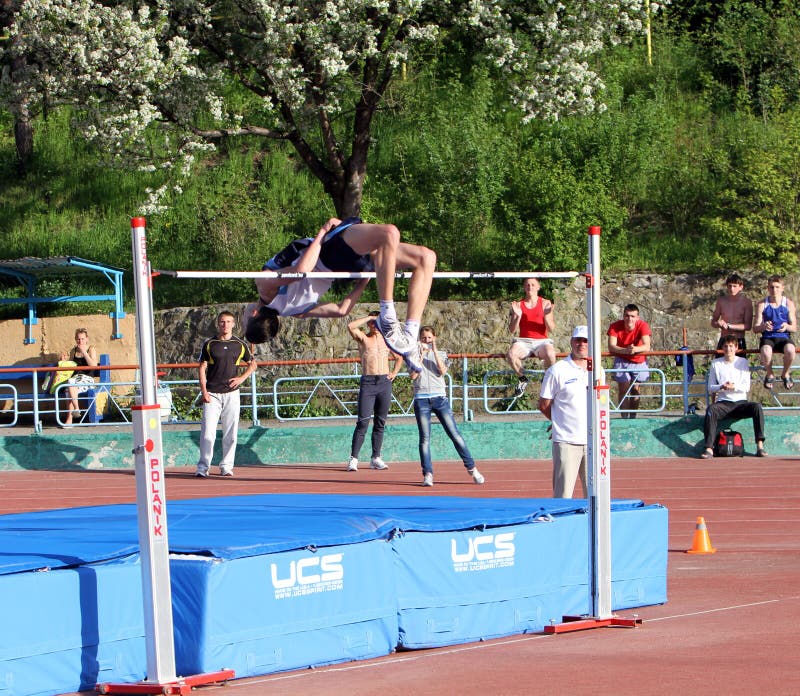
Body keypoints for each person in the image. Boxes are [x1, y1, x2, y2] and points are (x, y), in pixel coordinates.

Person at [243, 217, 436, 373]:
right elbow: (302, 270)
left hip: (345, 264)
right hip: (330, 251)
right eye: (242, 321)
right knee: (389, 232)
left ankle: (410, 337)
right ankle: (387, 314)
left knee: (426, 258)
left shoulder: (296, 311)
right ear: (253, 315)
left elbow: (342, 310)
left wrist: (365, 279)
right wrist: (323, 231)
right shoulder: (264, 285)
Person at [411, 325, 484, 487]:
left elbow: (442, 371)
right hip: (421, 399)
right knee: (424, 439)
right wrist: (421, 355)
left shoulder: (442, 354)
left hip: (439, 398)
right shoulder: (413, 355)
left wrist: (434, 351)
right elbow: (413, 375)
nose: (427, 341)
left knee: (455, 434)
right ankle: (428, 474)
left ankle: (472, 469)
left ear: (434, 338)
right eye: (423, 338)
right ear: (419, 339)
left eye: (429, 338)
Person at [195, 311, 258, 477]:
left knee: (231, 433)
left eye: (229, 322)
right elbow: (202, 368)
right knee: (208, 433)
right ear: (218, 323)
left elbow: (253, 365)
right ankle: (203, 468)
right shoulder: (209, 343)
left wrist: (241, 379)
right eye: (223, 322)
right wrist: (204, 392)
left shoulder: (240, 344)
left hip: (232, 394)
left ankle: (226, 466)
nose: (226, 325)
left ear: (234, 324)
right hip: (212, 394)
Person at [538, 325, 594, 498]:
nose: (581, 344)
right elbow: (544, 404)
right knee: (563, 496)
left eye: (585, 341)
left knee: (594, 496)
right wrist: (558, 420)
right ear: (571, 342)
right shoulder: (557, 370)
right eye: (578, 340)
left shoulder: (598, 370)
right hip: (566, 442)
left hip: (593, 442)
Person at [346, 311, 402, 472]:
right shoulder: (364, 338)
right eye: (372, 323)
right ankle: (354, 458)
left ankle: (375, 457)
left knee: (380, 422)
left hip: (384, 382)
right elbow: (351, 326)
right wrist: (370, 318)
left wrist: (394, 373)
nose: (375, 325)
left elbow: (399, 357)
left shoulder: (387, 340)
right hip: (368, 383)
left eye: (377, 323)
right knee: (363, 421)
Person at [700, 334, 767, 459]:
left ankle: (760, 446)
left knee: (757, 407)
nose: (728, 349)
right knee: (711, 410)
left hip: (740, 403)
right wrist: (722, 386)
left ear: (736, 347)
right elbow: (710, 387)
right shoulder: (716, 363)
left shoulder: (743, 362)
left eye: (731, 346)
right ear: (722, 348)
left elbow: (746, 387)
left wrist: (734, 387)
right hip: (724, 403)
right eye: (725, 346)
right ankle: (709, 448)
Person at [506, 277, 556, 398]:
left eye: (533, 285)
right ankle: (522, 378)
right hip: (524, 340)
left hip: (542, 341)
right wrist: (518, 315)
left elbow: (551, 328)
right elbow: (512, 330)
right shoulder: (518, 305)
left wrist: (546, 314)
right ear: (524, 287)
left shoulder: (545, 303)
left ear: (538, 287)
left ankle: (547, 379)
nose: (530, 287)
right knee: (511, 355)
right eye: (528, 285)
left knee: (551, 354)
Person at [607, 304, 651, 419]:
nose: (629, 319)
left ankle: (633, 417)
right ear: (623, 316)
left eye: (632, 316)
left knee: (635, 389)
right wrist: (625, 351)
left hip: (639, 360)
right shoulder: (615, 326)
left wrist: (635, 349)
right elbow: (611, 346)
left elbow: (647, 346)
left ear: (637, 317)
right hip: (622, 358)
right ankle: (624, 418)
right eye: (627, 316)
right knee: (623, 388)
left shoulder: (643, 325)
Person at [753, 275, 796, 390]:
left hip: (783, 336)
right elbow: (755, 328)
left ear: (782, 288)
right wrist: (763, 326)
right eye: (771, 287)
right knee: (766, 351)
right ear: (768, 288)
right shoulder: (762, 304)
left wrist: (787, 326)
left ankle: (785, 373)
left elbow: (794, 327)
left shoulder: (788, 304)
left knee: (791, 350)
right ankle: (769, 373)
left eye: (777, 287)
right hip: (768, 336)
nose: (774, 290)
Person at [61, 328, 98, 426]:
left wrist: (84, 353)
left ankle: (69, 419)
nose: (80, 341)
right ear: (75, 339)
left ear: (87, 339)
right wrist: (64, 362)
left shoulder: (91, 349)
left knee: (69, 386)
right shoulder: (73, 350)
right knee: (69, 386)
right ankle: (76, 409)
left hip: (87, 379)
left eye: (82, 339)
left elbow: (93, 366)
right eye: (78, 339)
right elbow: (70, 367)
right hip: (74, 380)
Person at [710, 273, 753, 352]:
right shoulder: (721, 301)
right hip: (724, 339)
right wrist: (719, 323)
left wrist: (729, 326)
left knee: (739, 364)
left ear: (741, 287)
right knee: (720, 363)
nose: (732, 289)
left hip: (738, 339)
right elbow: (713, 322)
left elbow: (748, 326)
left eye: (734, 286)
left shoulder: (747, 302)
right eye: (730, 286)